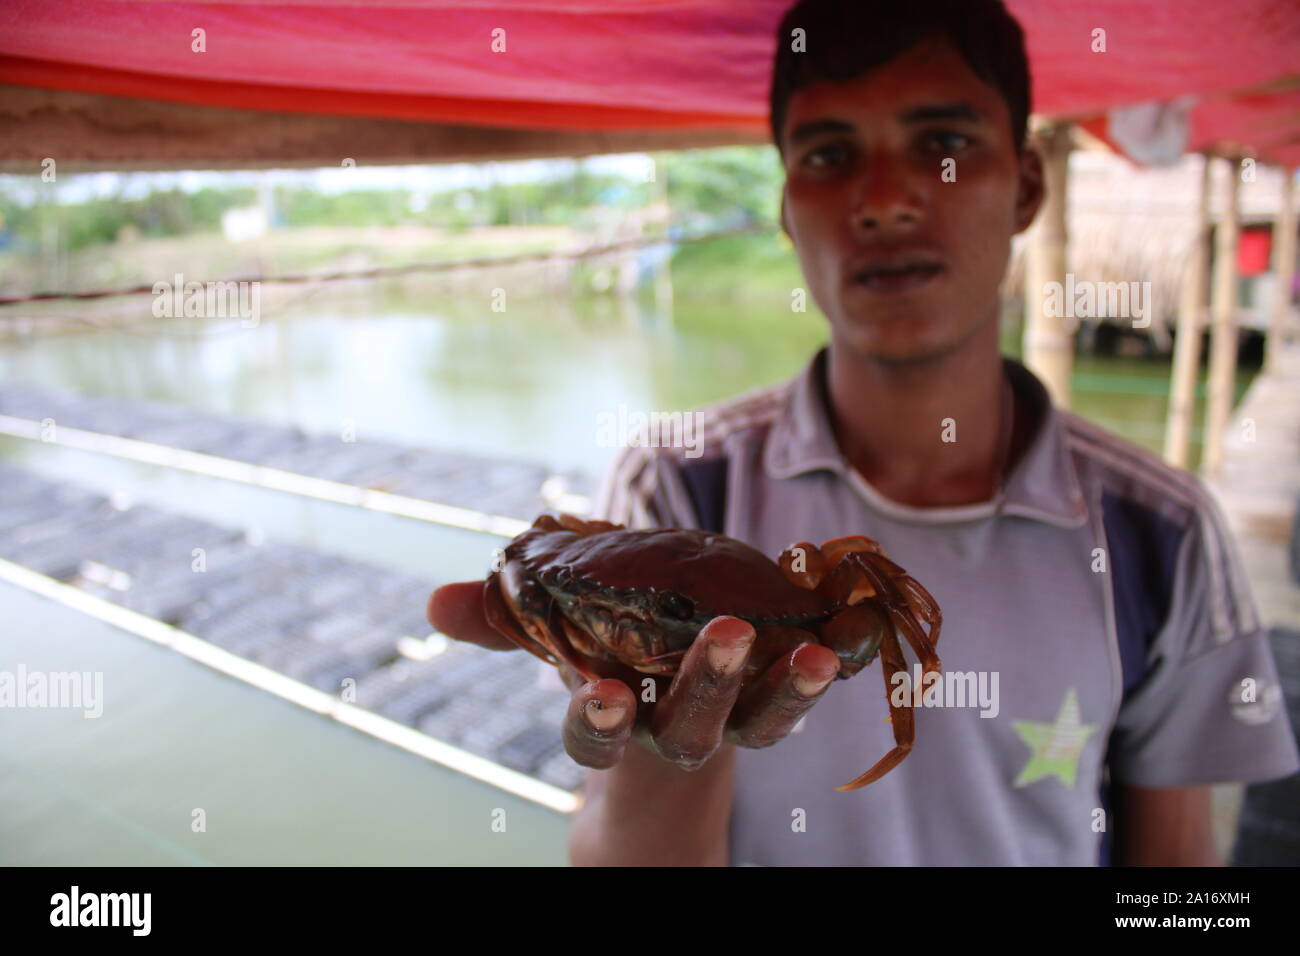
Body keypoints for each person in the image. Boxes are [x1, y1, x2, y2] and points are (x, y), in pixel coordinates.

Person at [428, 0, 1300, 865]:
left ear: (1027, 184)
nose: (883, 201)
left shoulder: (1163, 531)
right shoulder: (675, 479)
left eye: (945, 144)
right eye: (831, 154)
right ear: (785, 205)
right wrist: (669, 751)